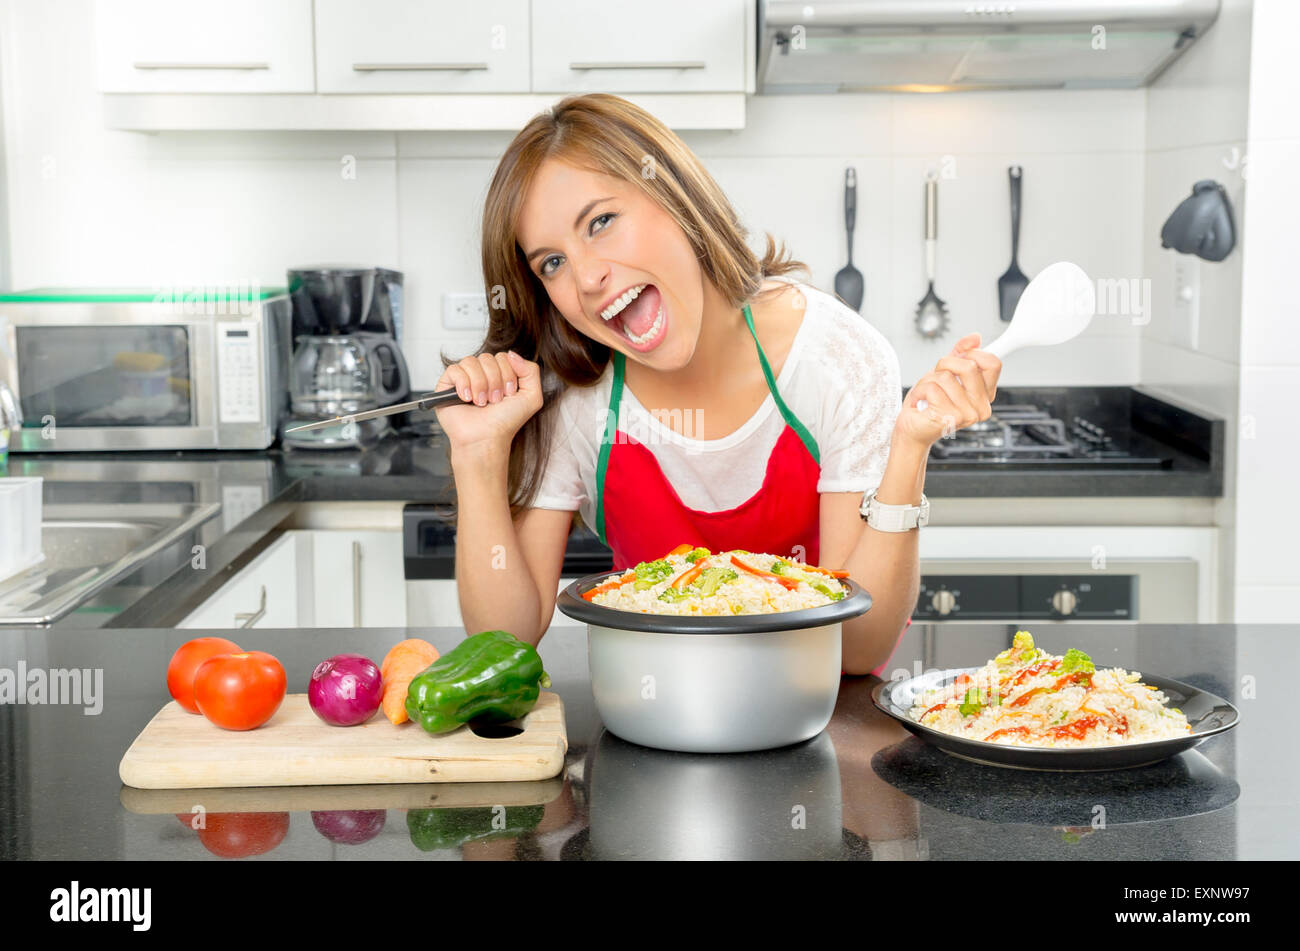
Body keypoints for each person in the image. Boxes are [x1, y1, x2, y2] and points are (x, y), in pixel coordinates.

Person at [434, 94, 1000, 675]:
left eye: (601, 223)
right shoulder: (577, 395)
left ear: (677, 200)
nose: (586, 278)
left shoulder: (835, 358)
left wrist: (908, 449)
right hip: (651, 715)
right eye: (551, 262)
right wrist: (477, 455)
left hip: (820, 724)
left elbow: (855, 651)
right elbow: (505, 640)